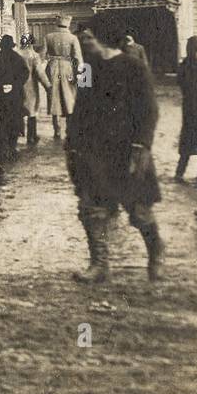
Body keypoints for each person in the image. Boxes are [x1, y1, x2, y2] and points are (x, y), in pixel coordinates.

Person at [66, 27, 163, 283]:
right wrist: (72, 145)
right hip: (94, 152)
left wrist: (142, 145)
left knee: (139, 211)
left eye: (89, 37)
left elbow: (149, 109)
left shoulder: (134, 66)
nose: (84, 42)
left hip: (128, 150)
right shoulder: (86, 69)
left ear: (103, 38)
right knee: (92, 209)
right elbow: (79, 109)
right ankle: (99, 265)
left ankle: (156, 256)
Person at [0, 34, 29, 172]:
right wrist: (15, 85)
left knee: (1, 121)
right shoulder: (18, 58)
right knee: (15, 120)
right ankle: (12, 146)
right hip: (15, 95)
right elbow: (25, 74)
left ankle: (3, 148)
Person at [44, 17, 82, 139]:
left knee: (54, 98)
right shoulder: (73, 38)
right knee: (69, 97)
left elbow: (42, 55)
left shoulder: (48, 37)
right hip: (67, 69)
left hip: (53, 68)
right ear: (68, 25)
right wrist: (79, 75)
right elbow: (77, 58)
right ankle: (69, 130)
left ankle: (57, 130)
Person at [175, 35, 197, 182]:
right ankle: (179, 173)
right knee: (188, 145)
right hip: (191, 111)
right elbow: (183, 84)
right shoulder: (185, 66)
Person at [17, 32, 50, 145]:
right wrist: (47, 86)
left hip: (18, 86)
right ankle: (32, 136)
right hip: (31, 87)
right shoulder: (34, 56)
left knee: (19, 110)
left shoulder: (17, 54)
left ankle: (20, 132)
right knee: (32, 113)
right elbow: (40, 73)